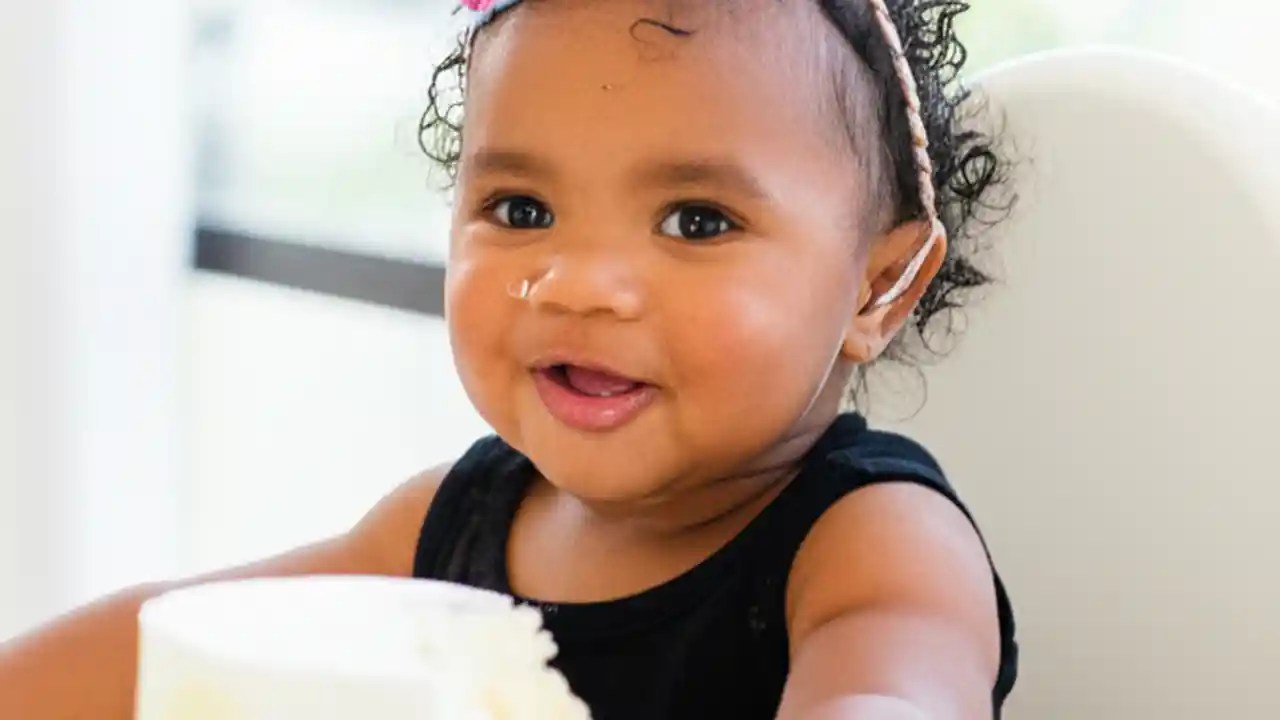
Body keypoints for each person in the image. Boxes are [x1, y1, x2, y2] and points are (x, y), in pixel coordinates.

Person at [0, 0, 1018, 717]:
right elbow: (174, 645)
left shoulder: (872, 543)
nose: (577, 283)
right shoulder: (450, 526)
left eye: (695, 221)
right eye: (520, 210)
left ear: (880, 284)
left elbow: (890, 693)